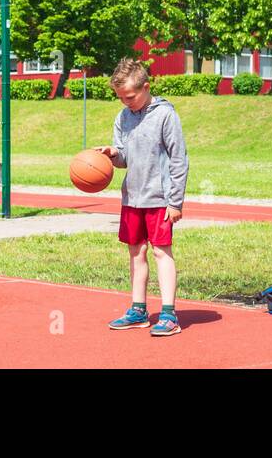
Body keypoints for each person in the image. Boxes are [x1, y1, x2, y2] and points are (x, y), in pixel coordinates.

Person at [95, 58, 188, 336]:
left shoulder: (165, 115)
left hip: (159, 199)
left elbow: (179, 159)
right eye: (121, 97)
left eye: (130, 96)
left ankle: (170, 314)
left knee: (161, 252)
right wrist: (113, 154)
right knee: (136, 252)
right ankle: (138, 310)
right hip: (132, 198)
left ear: (146, 87)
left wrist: (175, 201)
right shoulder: (122, 117)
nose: (126, 102)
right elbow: (124, 159)